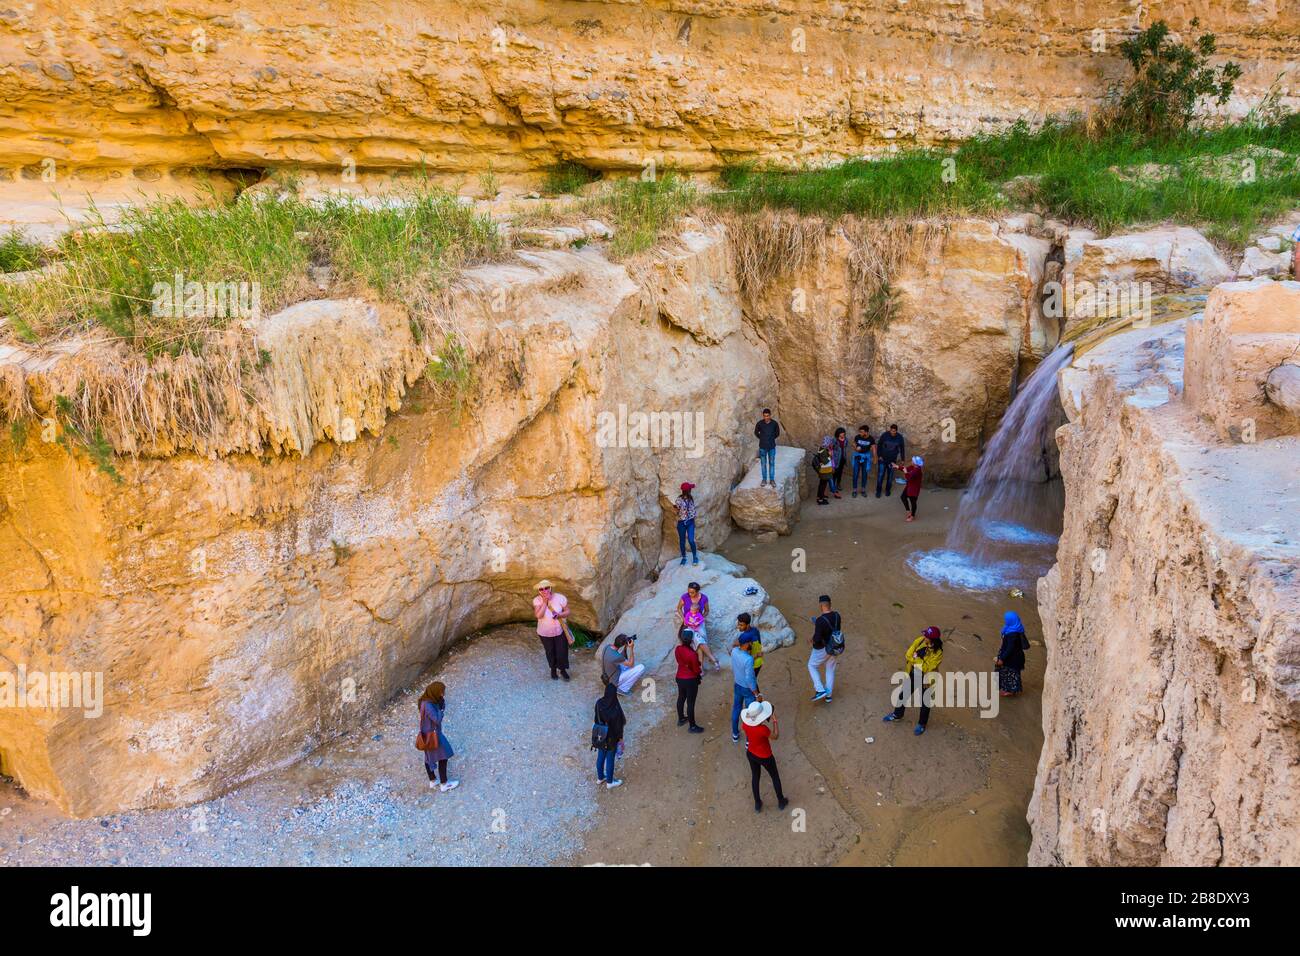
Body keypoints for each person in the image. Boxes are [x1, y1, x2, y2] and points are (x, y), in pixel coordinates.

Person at [883, 625, 943, 735]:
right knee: (903, 695)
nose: (924, 636)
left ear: (932, 639)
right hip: (914, 674)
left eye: (927, 636)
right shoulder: (920, 641)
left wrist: (916, 659)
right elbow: (908, 655)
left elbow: (928, 668)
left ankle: (922, 724)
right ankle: (897, 715)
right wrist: (919, 660)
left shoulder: (938, 652)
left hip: (927, 680)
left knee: (925, 703)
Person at [740, 697, 788, 813]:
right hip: (765, 756)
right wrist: (775, 722)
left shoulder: (745, 725)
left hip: (751, 753)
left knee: (755, 777)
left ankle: (757, 803)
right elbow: (775, 736)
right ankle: (781, 801)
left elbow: (746, 730)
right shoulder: (763, 729)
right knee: (774, 776)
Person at [417, 681, 459, 792]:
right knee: (443, 757)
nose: (442, 694)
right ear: (435, 692)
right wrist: (440, 710)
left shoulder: (425, 701)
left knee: (429, 758)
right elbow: (437, 719)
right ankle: (444, 784)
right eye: (441, 692)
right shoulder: (429, 705)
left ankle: (432, 780)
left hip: (427, 734)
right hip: (433, 735)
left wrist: (441, 704)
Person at [676, 582, 721, 671]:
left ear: (697, 591)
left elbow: (707, 611)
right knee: (699, 641)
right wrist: (684, 618)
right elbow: (678, 608)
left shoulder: (704, 598)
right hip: (688, 623)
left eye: (692, 592)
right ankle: (713, 659)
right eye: (689, 592)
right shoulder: (685, 597)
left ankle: (701, 667)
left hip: (698, 623)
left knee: (700, 640)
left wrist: (700, 619)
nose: (690, 594)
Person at [532, 580, 571, 681]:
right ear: (539, 591)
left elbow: (567, 611)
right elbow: (538, 616)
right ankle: (553, 669)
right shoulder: (537, 600)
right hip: (544, 632)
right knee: (550, 651)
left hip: (559, 630)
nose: (544, 590)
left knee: (562, 651)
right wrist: (545, 602)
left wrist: (560, 615)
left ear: (550, 588)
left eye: (546, 588)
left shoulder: (560, 597)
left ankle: (562, 670)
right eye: (541, 589)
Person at [808, 594, 841, 703]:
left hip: (822, 649)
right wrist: (816, 623)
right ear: (830, 604)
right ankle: (828, 695)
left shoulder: (820, 620)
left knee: (812, 665)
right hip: (835, 647)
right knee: (830, 670)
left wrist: (811, 640)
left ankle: (820, 689)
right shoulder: (837, 616)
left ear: (821, 605)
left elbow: (817, 638)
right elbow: (832, 629)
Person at [593, 683, 626, 789]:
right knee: (610, 759)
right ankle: (610, 782)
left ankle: (600, 777)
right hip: (611, 738)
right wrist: (620, 738)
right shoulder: (615, 708)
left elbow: (596, 718)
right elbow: (619, 726)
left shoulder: (599, 703)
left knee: (601, 756)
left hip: (600, 735)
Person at [730, 634, 760, 742]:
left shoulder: (734, 651)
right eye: (750, 642)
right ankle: (748, 740)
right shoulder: (748, 659)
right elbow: (750, 679)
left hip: (737, 685)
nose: (751, 644)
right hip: (747, 689)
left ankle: (735, 734)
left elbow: (733, 647)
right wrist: (756, 693)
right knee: (750, 713)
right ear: (747, 644)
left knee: (736, 709)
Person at [675, 628, 705, 733]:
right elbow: (696, 670)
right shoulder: (692, 654)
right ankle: (692, 726)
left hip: (679, 677)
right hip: (690, 680)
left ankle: (681, 718)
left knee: (681, 697)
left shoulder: (678, 649)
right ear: (692, 640)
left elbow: (679, 661)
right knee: (691, 703)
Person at [996, 610, 1028, 697]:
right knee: (1010, 673)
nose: (1005, 621)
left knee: (1011, 674)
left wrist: (1002, 658)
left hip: (1012, 658)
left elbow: (1010, 649)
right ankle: (1009, 688)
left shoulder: (1012, 635)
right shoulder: (1017, 628)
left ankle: (1011, 691)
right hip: (1014, 656)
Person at [875, 423, 906, 498]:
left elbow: (902, 448)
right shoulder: (885, 435)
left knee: (890, 477)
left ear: (896, 431)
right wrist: (879, 456)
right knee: (880, 475)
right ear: (890, 430)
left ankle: (887, 490)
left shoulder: (900, 438)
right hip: (883, 459)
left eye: (894, 431)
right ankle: (878, 491)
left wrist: (902, 459)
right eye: (891, 431)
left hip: (892, 461)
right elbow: (879, 445)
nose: (892, 432)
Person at [674, 481, 699, 566]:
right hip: (681, 523)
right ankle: (684, 557)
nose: (691, 490)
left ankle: (695, 556)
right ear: (688, 490)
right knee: (682, 541)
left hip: (690, 522)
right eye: (690, 489)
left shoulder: (691, 499)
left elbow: (693, 511)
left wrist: (693, 521)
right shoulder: (678, 500)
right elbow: (677, 509)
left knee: (691, 540)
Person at [754, 408, 781, 488]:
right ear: (763, 416)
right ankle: (764, 480)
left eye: (768, 416)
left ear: (770, 415)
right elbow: (756, 432)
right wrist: (762, 438)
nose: (766, 417)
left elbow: (777, 433)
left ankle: (772, 480)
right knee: (763, 464)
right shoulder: (759, 424)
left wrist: (771, 438)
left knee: (772, 464)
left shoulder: (774, 424)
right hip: (762, 447)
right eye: (765, 416)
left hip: (772, 447)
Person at [733, 612, 763, 682]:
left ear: (748, 625)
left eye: (741, 625)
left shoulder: (744, 637)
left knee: (749, 685)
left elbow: (735, 646)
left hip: (752, 665)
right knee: (752, 683)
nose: (738, 626)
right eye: (738, 624)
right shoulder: (755, 630)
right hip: (759, 662)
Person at [850, 424, 874, 497]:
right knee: (855, 474)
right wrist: (856, 447)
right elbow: (853, 443)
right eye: (860, 431)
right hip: (857, 457)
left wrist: (874, 457)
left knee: (864, 474)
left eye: (862, 432)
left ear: (866, 432)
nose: (860, 433)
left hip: (866, 458)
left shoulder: (871, 439)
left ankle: (863, 490)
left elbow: (872, 448)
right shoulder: (857, 437)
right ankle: (854, 490)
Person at [900, 455, 924, 521]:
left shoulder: (917, 470)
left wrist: (905, 472)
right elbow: (906, 469)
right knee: (903, 497)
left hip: (914, 489)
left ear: (915, 463)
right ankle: (908, 511)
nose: (911, 461)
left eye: (912, 461)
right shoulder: (913, 467)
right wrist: (897, 467)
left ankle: (912, 516)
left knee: (913, 502)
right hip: (909, 486)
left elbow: (908, 477)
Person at [812, 438, 834, 505]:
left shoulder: (823, 449)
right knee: (823, 485)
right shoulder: (823, 450)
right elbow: (824, 461)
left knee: (822, 484)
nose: (831, 444)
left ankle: (820, 497)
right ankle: (820, 500)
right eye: (830, 442)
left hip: (825, 471)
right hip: (824, 471)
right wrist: (830, 456)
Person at [830, 427, 848, 499]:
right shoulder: (834, 440)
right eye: (841, 433)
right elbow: (831, 448)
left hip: (842, 458)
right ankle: (833, 486)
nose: (843, 434)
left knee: (840, 472)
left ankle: (838, 484)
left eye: (843, 433)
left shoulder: (846, 439)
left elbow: (845, 447)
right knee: (835, 473)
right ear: (838, 433)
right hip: (836, 459)